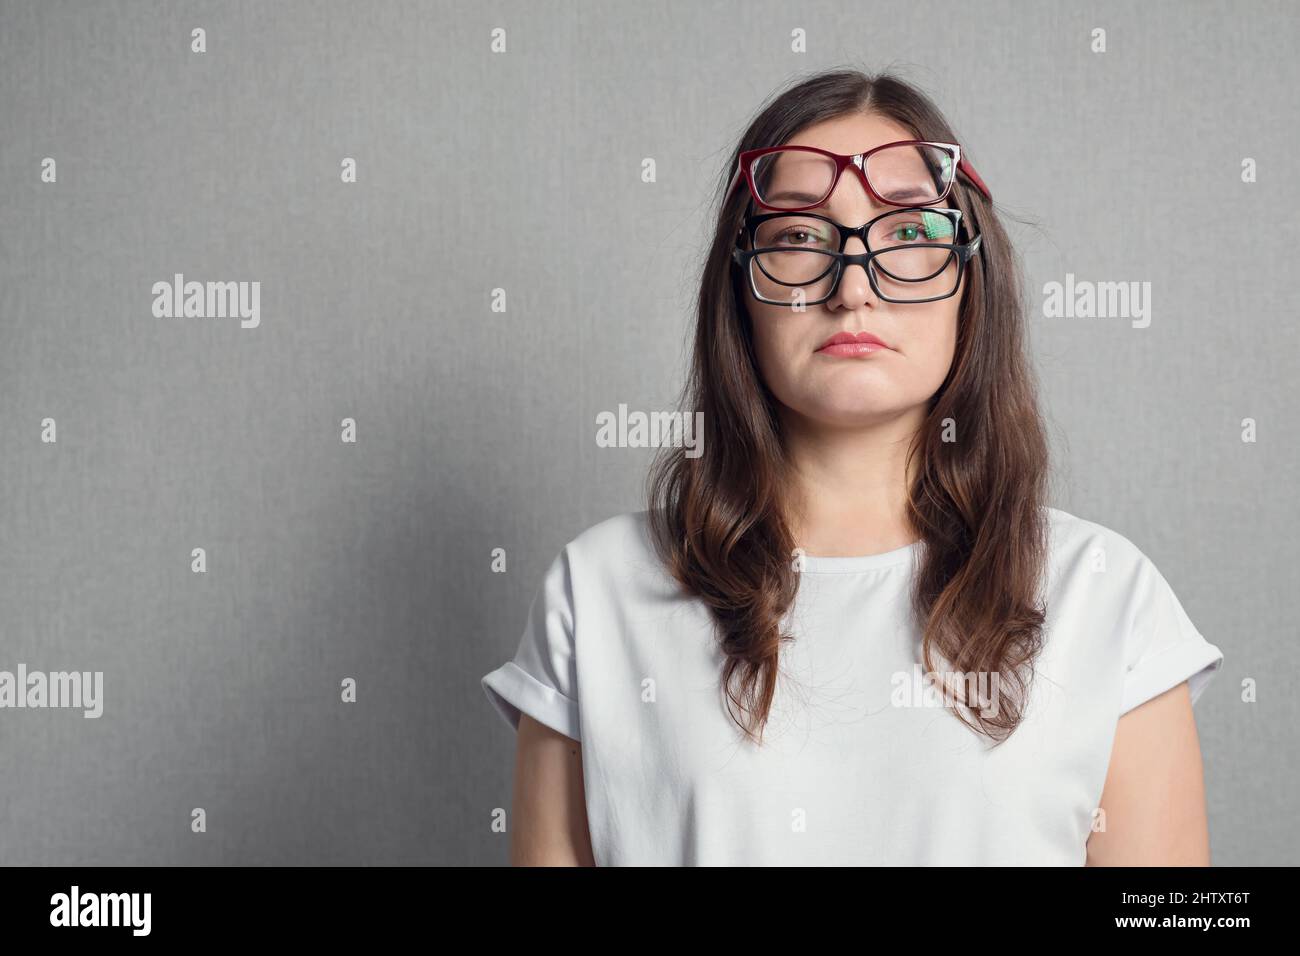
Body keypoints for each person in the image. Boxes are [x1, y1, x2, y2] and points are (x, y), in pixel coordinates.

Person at [481, 69, 1224, 866]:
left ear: (974, 285)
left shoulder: (1106, 596)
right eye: (799, 236)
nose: (853, 286)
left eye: (907, 233)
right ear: (739, 294)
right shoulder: (595, 595)